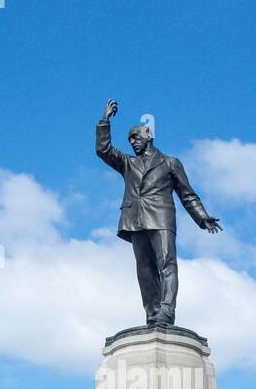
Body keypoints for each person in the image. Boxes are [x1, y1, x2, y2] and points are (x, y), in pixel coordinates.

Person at [95, 99, 222, 327]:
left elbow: (187, 194)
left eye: (136, 137)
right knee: (144, 270)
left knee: (167, 265)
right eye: (130, 139)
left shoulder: (171, 163)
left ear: (149, 135)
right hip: (135, 220)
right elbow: (103, 150)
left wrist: (202, 217)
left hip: (162, 218)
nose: (133, 142)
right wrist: (105, 121)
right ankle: (153, 313)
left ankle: (166, 311)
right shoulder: (128, 163)